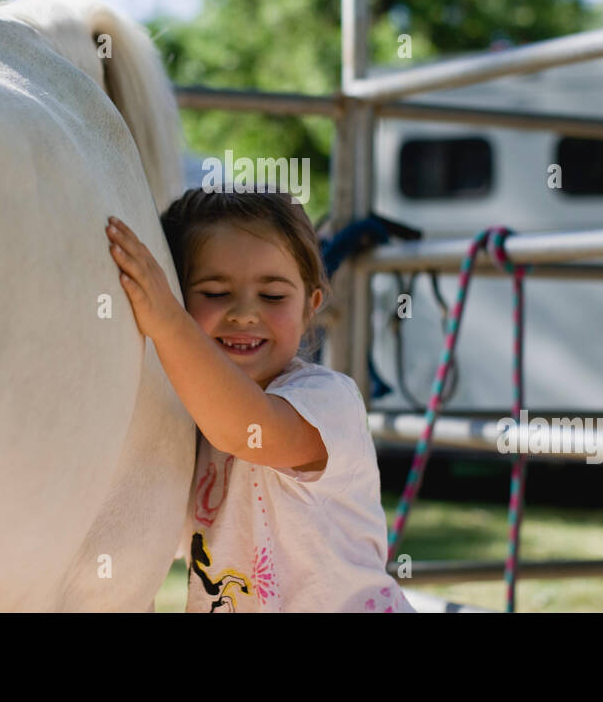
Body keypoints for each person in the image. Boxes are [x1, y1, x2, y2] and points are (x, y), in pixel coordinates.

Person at [105, 188, 414, 612]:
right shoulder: (194, 421)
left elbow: (247, 431)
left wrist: (168, 323)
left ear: (310, 307)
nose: (246, 314)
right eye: (215, 293)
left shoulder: (327, 401)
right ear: (180, 293)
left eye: (272, 296)